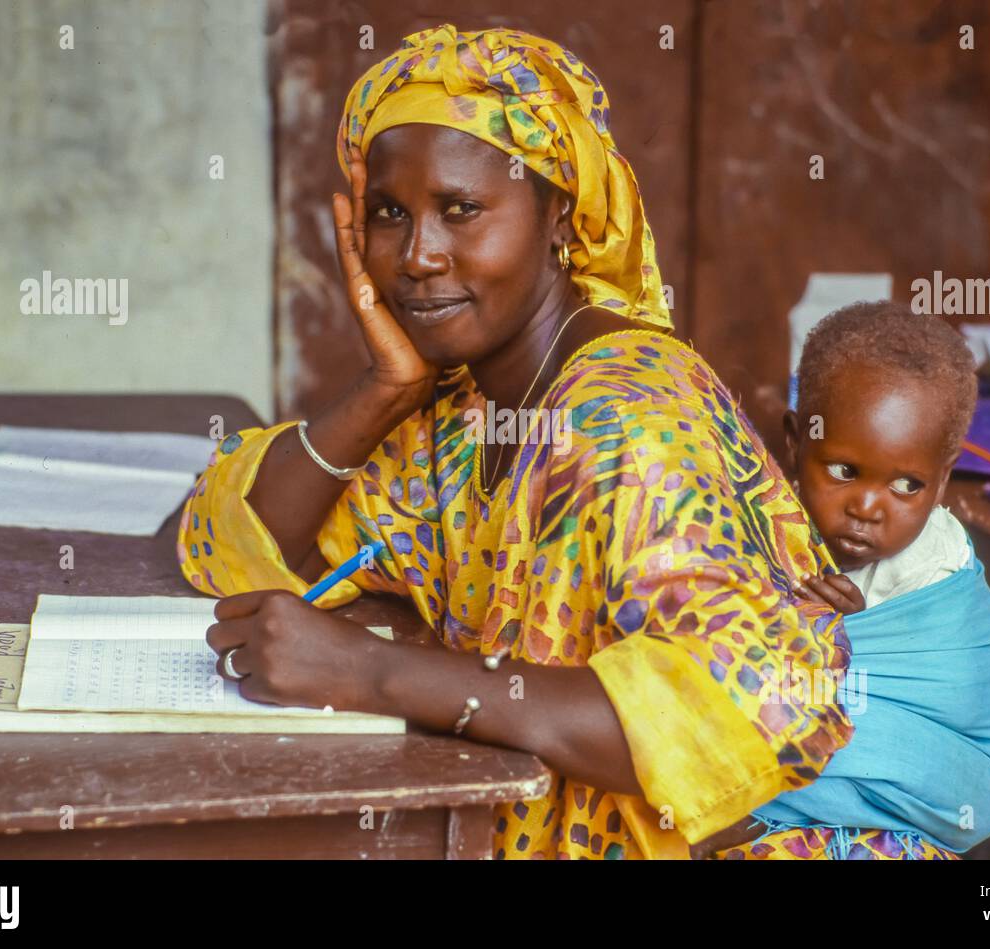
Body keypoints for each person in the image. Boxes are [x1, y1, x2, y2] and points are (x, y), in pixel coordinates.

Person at [177, 23, 937, 859]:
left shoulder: (628, 416)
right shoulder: (461, 406)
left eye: (461, 210)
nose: (419, 255)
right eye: (390, 214)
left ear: (559, 221)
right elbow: (234, 536)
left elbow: (737, 709)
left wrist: (370, 671)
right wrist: (384, 388)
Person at [742, 301, 990, 857]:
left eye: (907, 486)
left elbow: (957, 712)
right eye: (845, 472)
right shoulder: (761, 522)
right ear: (797, 445)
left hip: (924, 794)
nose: (868, 507)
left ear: (941, 484)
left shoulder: (934, 566)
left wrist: (848, 636)